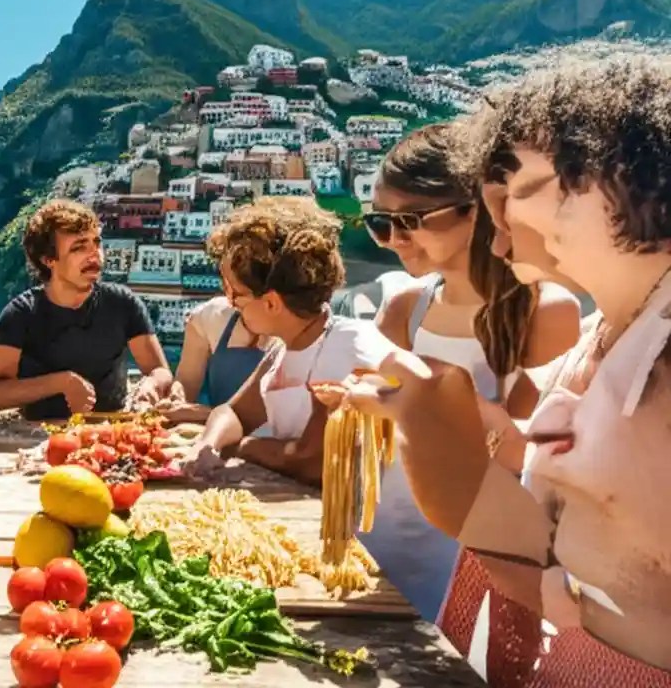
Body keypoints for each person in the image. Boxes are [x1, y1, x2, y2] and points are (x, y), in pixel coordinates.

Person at [336, 55, 671, 684]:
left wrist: (448, 429)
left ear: (619, 175)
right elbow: (540, 540)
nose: (499, 231)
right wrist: (441, 420)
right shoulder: (605, 338)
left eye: (516, 192)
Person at [362, 124, 581, 658]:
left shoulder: (544, 311)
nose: (394, 239)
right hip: (380, 544)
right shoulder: (403, 308)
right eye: (379, 224)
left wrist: (441, 403)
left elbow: (537, 468)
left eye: (410, 220)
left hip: (476, 564)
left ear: (475, 210)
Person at [182, 196, 395, 487]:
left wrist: (238, 446)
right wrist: (208, 445)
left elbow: (311, 460)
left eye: (235, 293)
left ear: (271, 303)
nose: (230, 303)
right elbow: (233, 412)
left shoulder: (352, 351)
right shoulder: (284, 348)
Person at [0, 198, 176, 420]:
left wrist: (152, 384)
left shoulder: (123, 303)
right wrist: (60, 382)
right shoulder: (22, 314)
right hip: (41, 433)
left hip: (114, 428)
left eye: (96, 243)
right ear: (49, 260)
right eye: (79, 247)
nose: (95, 255)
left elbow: (161, 372)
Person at [166, 295, 268, 423]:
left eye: (239, 292)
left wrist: (207, 415)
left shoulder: (290, 336)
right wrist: (177, 396)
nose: (231, 298)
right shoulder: (211, 317)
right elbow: (187, 382)